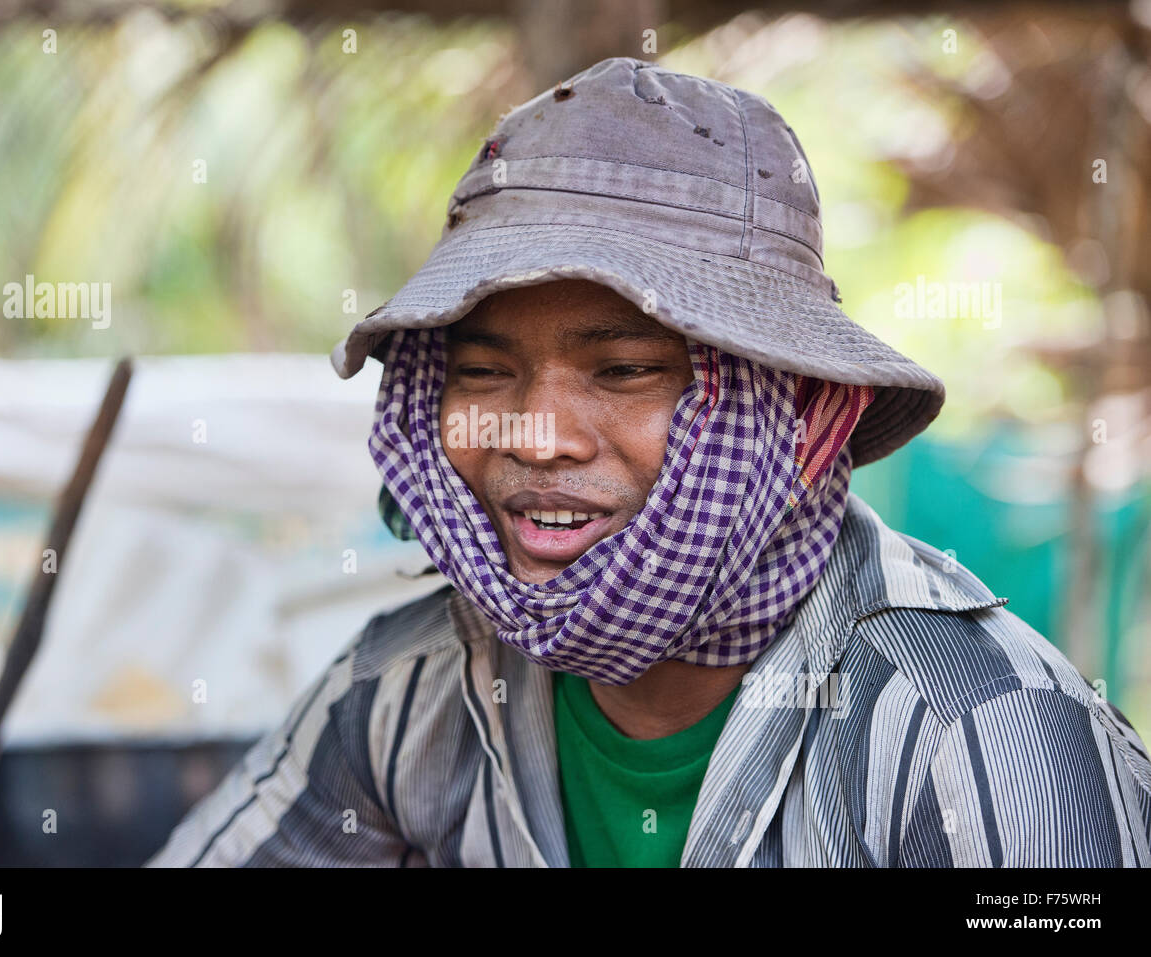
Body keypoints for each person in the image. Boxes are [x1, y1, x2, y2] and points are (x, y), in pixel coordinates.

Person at [148, 57, 1151, 867]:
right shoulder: (408, 692)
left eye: (625, 371)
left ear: (806, 418)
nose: (536, 437)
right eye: (485, 373)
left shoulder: (978, 734)